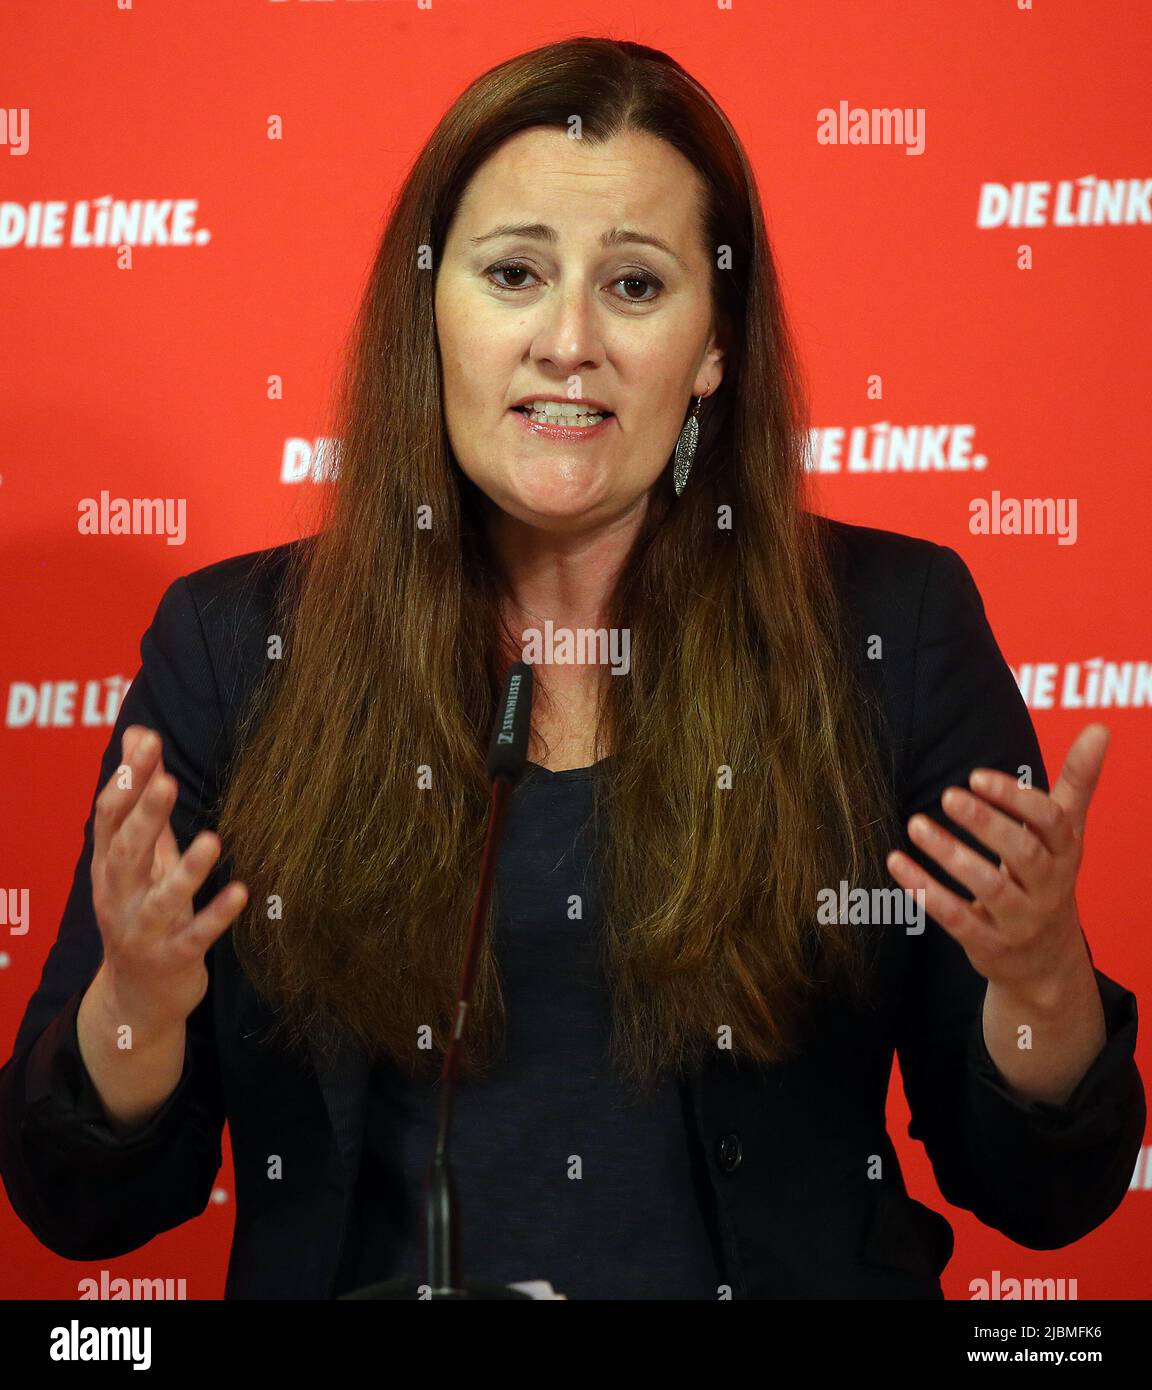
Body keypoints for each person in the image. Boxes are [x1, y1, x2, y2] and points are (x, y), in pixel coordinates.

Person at [0, 37, 1143, 1301]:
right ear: (427, 312)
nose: (569, 341)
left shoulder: (890, 629)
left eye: (638, 287)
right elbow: (81, 1205)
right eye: (514, 273)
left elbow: (1046, 1195)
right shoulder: (233, 647)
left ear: (715, 347)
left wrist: (1040, 987)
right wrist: (138, 1009)